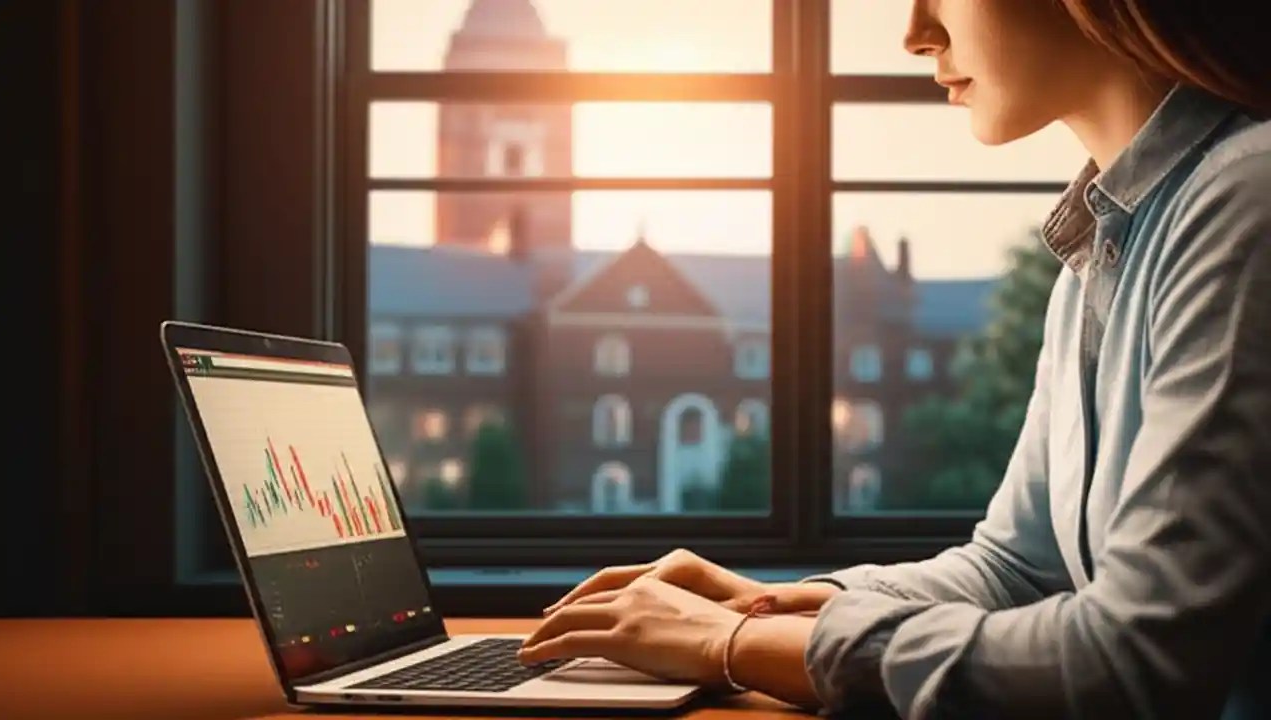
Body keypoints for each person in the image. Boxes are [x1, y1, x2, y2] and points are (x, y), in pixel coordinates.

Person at [517, 1, 1271, 717]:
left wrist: (734, 644)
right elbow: (1017, 569)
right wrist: (770, 604)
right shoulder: (1103, 246)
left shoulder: (1246, 199)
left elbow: (1135, 665)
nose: (916, 33)